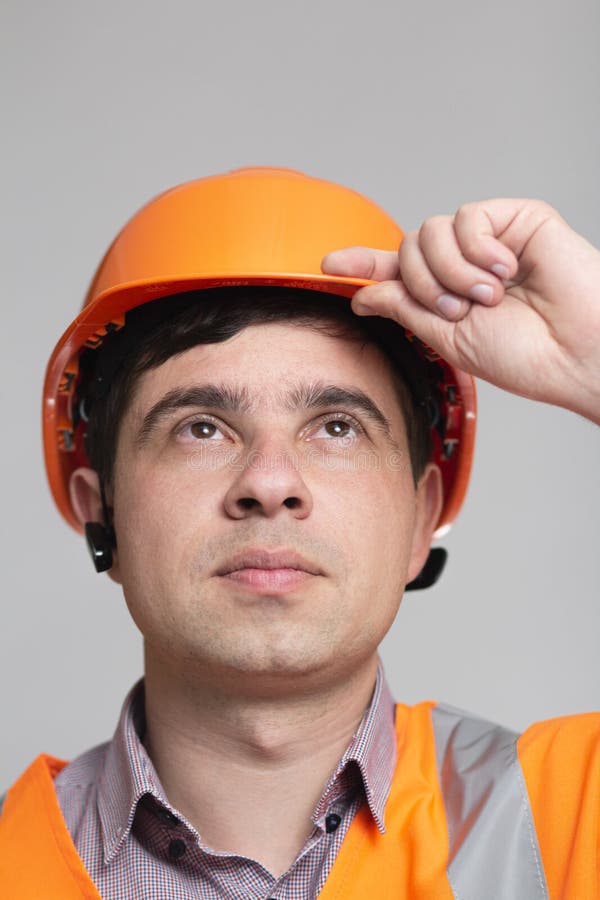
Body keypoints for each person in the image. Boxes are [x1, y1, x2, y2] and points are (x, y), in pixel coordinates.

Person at [0, 167, 598, 898]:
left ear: (421, 517)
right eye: (202, 428)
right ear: (103, 512)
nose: (270, 482)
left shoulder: (564, 820)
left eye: (336, 427)